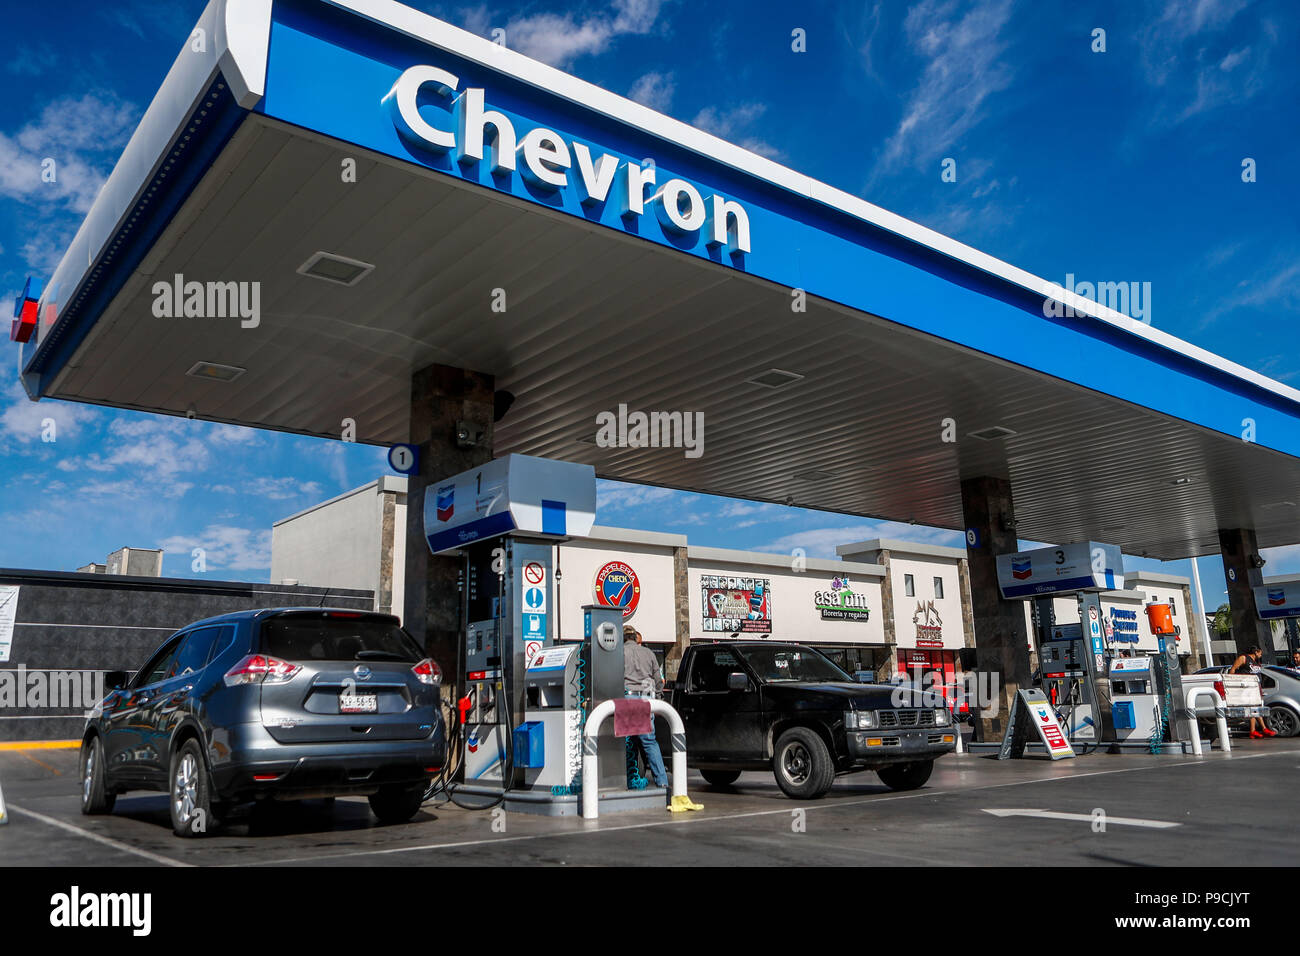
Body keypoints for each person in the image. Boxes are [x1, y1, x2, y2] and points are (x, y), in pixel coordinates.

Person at [622, 624, 669, 790]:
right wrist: (659, 698)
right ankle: (662, 782)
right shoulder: (649, 653)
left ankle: (627, 780)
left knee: (626, 741)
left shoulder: (618, 653)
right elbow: (658, 680)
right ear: (635, 638)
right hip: (645, 700)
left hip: (626, 699)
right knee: (649, 742)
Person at [1230, 646, 1276, 738]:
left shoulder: (1256, 661)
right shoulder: (1244, 658)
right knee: (1254, 707)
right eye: (1260, 653)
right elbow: (1233, 669)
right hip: (1246, 687)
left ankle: (1253, 730)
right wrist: (1233, 682)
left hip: (1255, 687)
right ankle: (1262, 728)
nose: (1261, 655)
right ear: (1255, 652)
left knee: (1254, 708)